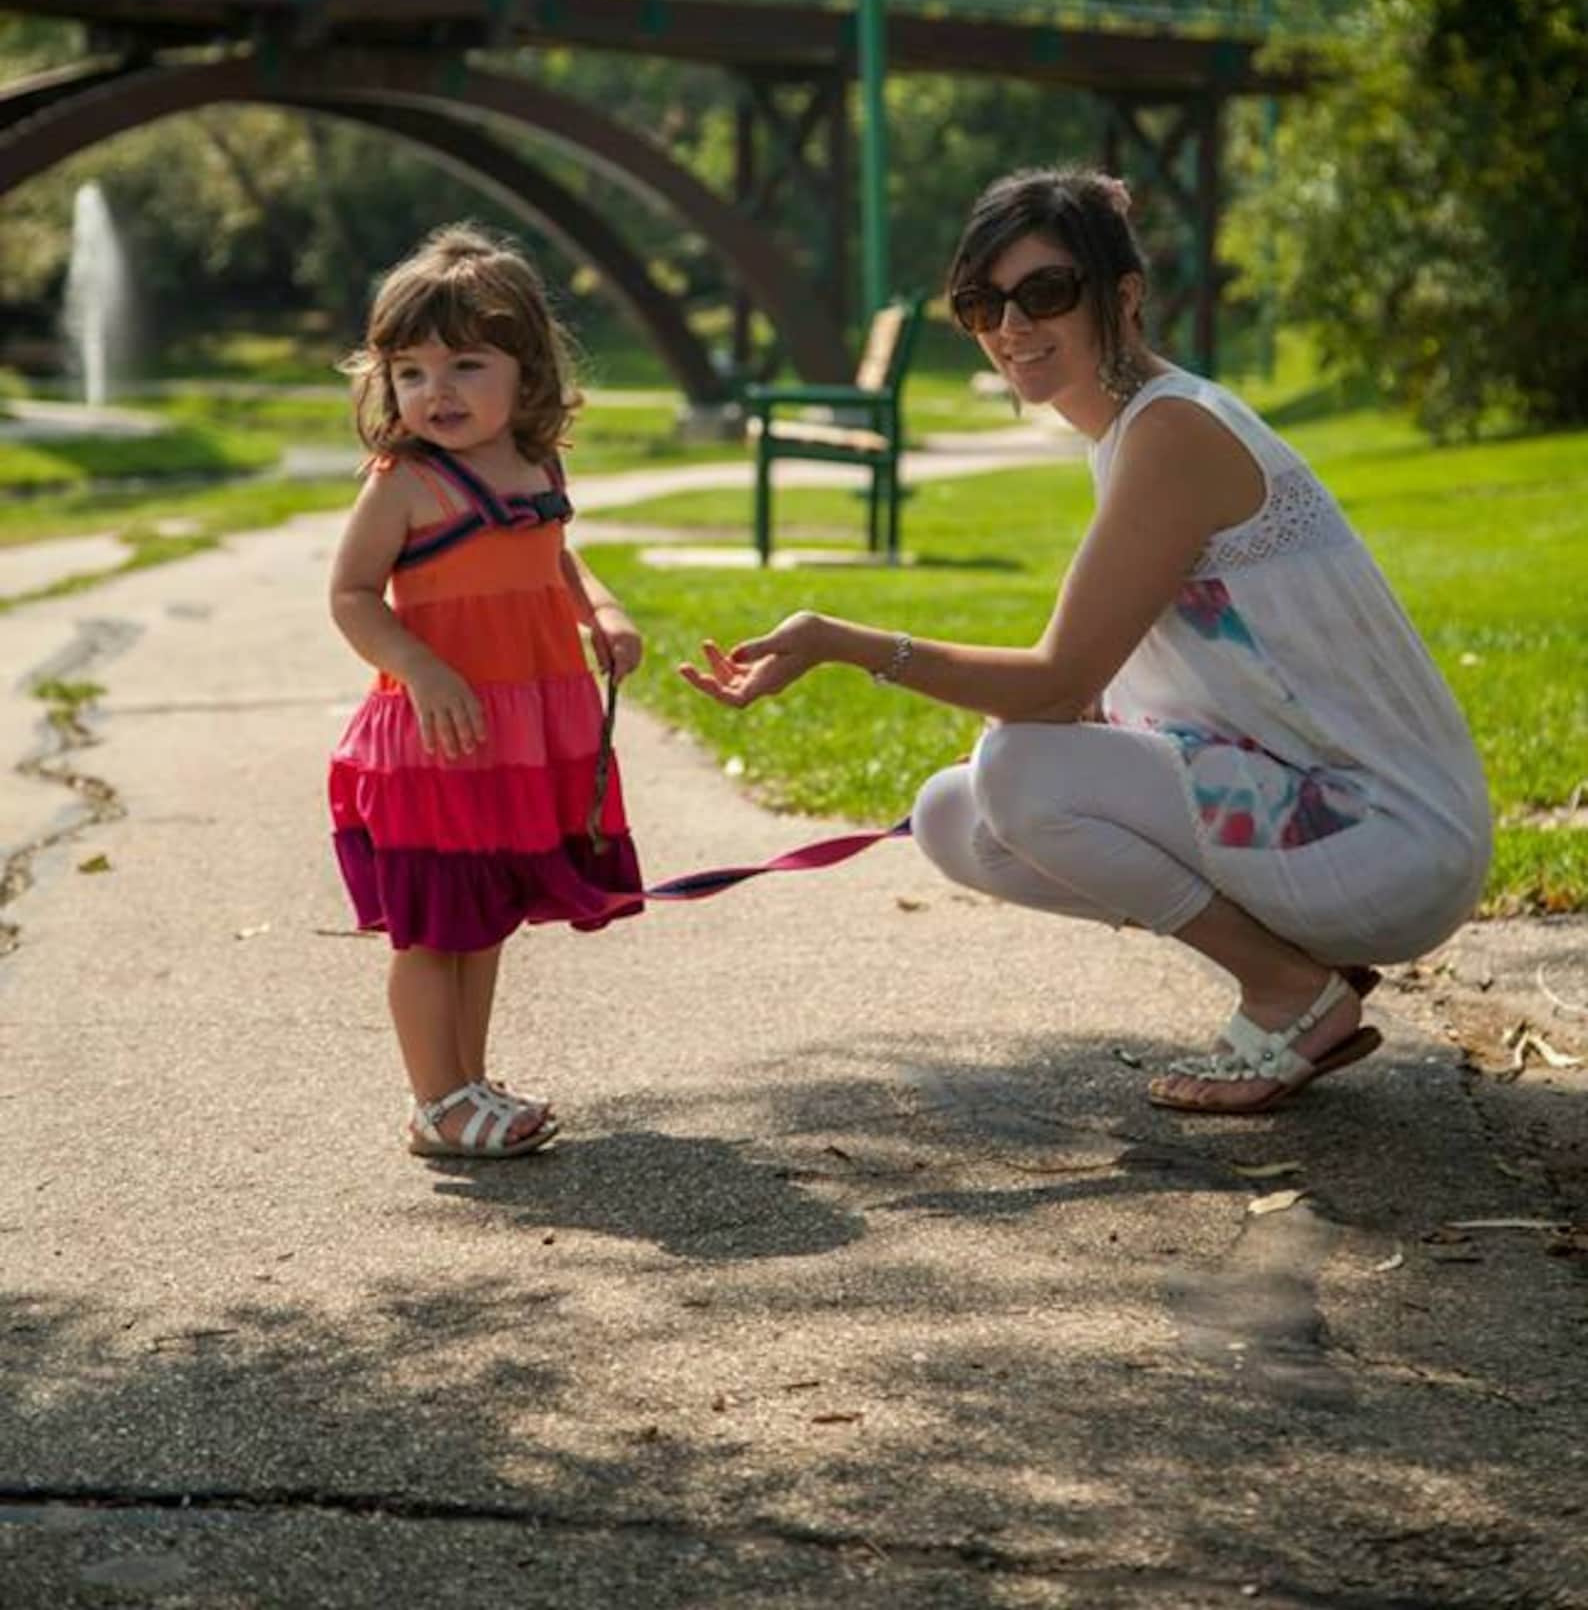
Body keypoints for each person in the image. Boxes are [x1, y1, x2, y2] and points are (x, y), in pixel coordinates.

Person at [682, 166, 1491, 1115]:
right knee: (957, 814)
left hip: (1391, 839)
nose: (1010, 328)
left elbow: (1056, 683)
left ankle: (1289, 991)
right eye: (982, 303)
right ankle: (1300, 966)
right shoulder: (1131, 435)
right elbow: (1089, 689)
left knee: (1020, 773)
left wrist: (842, 641)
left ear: (1124, 297)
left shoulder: (1173, 433)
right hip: (1326, 818)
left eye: (1046, 293)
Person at [328, 223, 644, 1159]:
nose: (438, 391)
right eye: (412, 371)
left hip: (520, 736)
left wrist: (606, 613)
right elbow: (350, 596)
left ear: (527, 371)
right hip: (439, 734)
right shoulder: (405, 484)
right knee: (431, 930)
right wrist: (422, 667)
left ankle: (465, 1081)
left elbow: (555, 559)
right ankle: (435, 1102)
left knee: (484, 919)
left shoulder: (537, 468)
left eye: (465, 365)